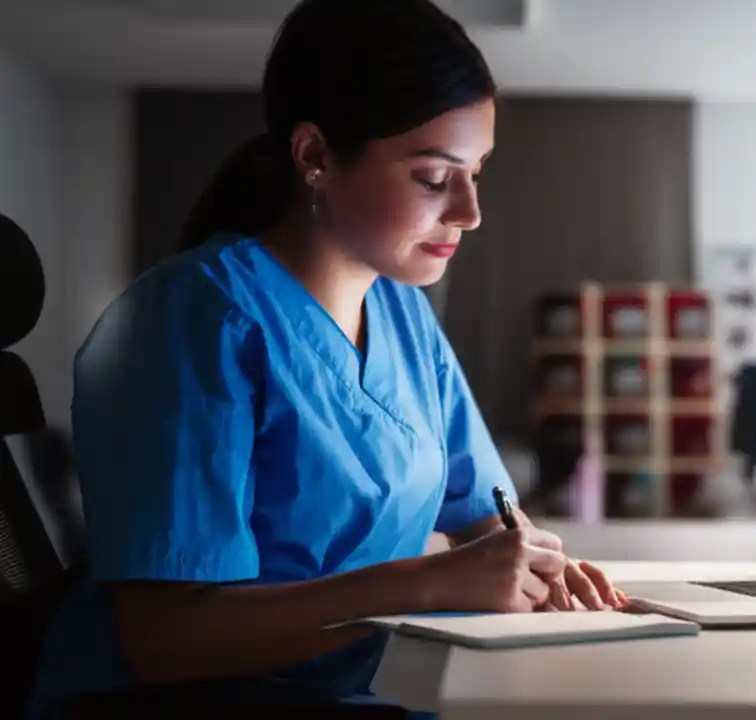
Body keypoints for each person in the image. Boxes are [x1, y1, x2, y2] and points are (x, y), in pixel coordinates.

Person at [27, 1, 625, 717]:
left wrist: (534, 566)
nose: (470, 212)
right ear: (314, 156)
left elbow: (484, 513)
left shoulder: (401, 312)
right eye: (435, 179)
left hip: (355, 684)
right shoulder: (191, 320)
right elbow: (163, 638)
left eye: (478, 173)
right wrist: (424, 583)